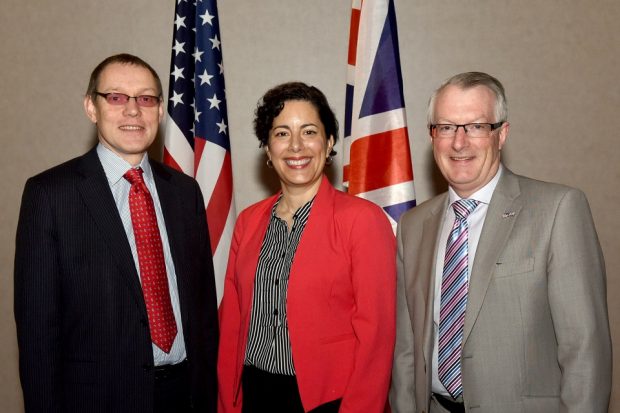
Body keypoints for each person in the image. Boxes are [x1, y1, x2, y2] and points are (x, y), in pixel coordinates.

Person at [389, 72, 611, 413]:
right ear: (432, 136)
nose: (459, 143)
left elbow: (585, 349)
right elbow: (406, 351)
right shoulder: (413, 226)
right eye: (446, 127)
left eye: (476, 126)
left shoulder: (557, 210)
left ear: (501, 134)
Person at [14, 53, 218, 413]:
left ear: (158, 111)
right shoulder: (50, 194)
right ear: (91, 108)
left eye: (146, 98)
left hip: (186, 395)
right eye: (117, 97)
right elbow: (37, 333)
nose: (133, 111)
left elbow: (203, 310)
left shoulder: (185, 192)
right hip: (99, 400)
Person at [217, 82, 396, 413]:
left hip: (329, 399)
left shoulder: (363, 221)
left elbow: (378, 338)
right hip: (253, 393)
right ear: (268, 149)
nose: (296, 146)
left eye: (309, 132)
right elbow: (232, 321)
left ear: (328, 144)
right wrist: (228, 402)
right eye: (282, 134)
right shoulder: (248, 221)